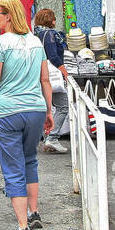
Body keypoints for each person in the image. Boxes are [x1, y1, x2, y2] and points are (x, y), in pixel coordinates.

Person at [0, 0, 53, 230]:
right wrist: (49, 111)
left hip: (8, 110)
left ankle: (22, 228)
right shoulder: (35, 42)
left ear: (9, 16)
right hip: (35, 109)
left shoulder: (0, 42)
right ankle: (33, 212)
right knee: (30, 159)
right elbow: (45, 80)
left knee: (12, 168)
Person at [32, 8, 70, 152]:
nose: (55, 21)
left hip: (38, 75)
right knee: (62, 106)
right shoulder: (50, 35)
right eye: (54, 18)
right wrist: (64, 72)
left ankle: (46, 137)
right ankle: (52, 138)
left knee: (44, 107)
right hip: (51, 75)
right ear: (50, 20)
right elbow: (53, 56)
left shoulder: (35, 35)